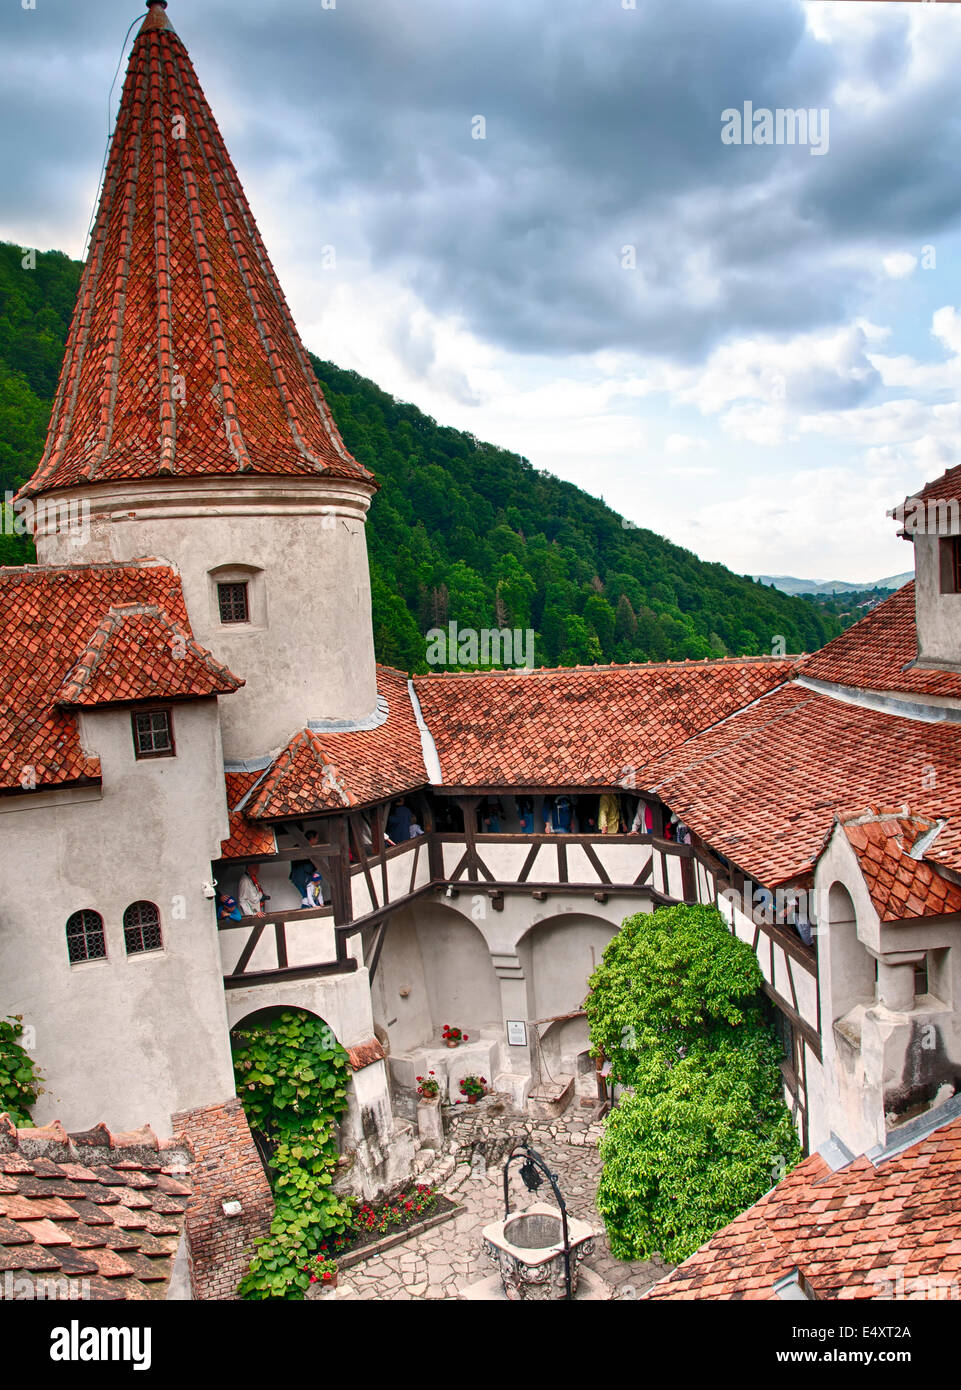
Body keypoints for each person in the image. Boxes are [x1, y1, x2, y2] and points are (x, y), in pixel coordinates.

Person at [290, 830, 320, 903]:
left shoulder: (297, 847)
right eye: (316, 838)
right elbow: (308, 868)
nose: (317, 840)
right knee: (309, 898)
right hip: (303, 878)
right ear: (312, 839)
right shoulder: (304, 849)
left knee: (308, 897)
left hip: (298, 878)